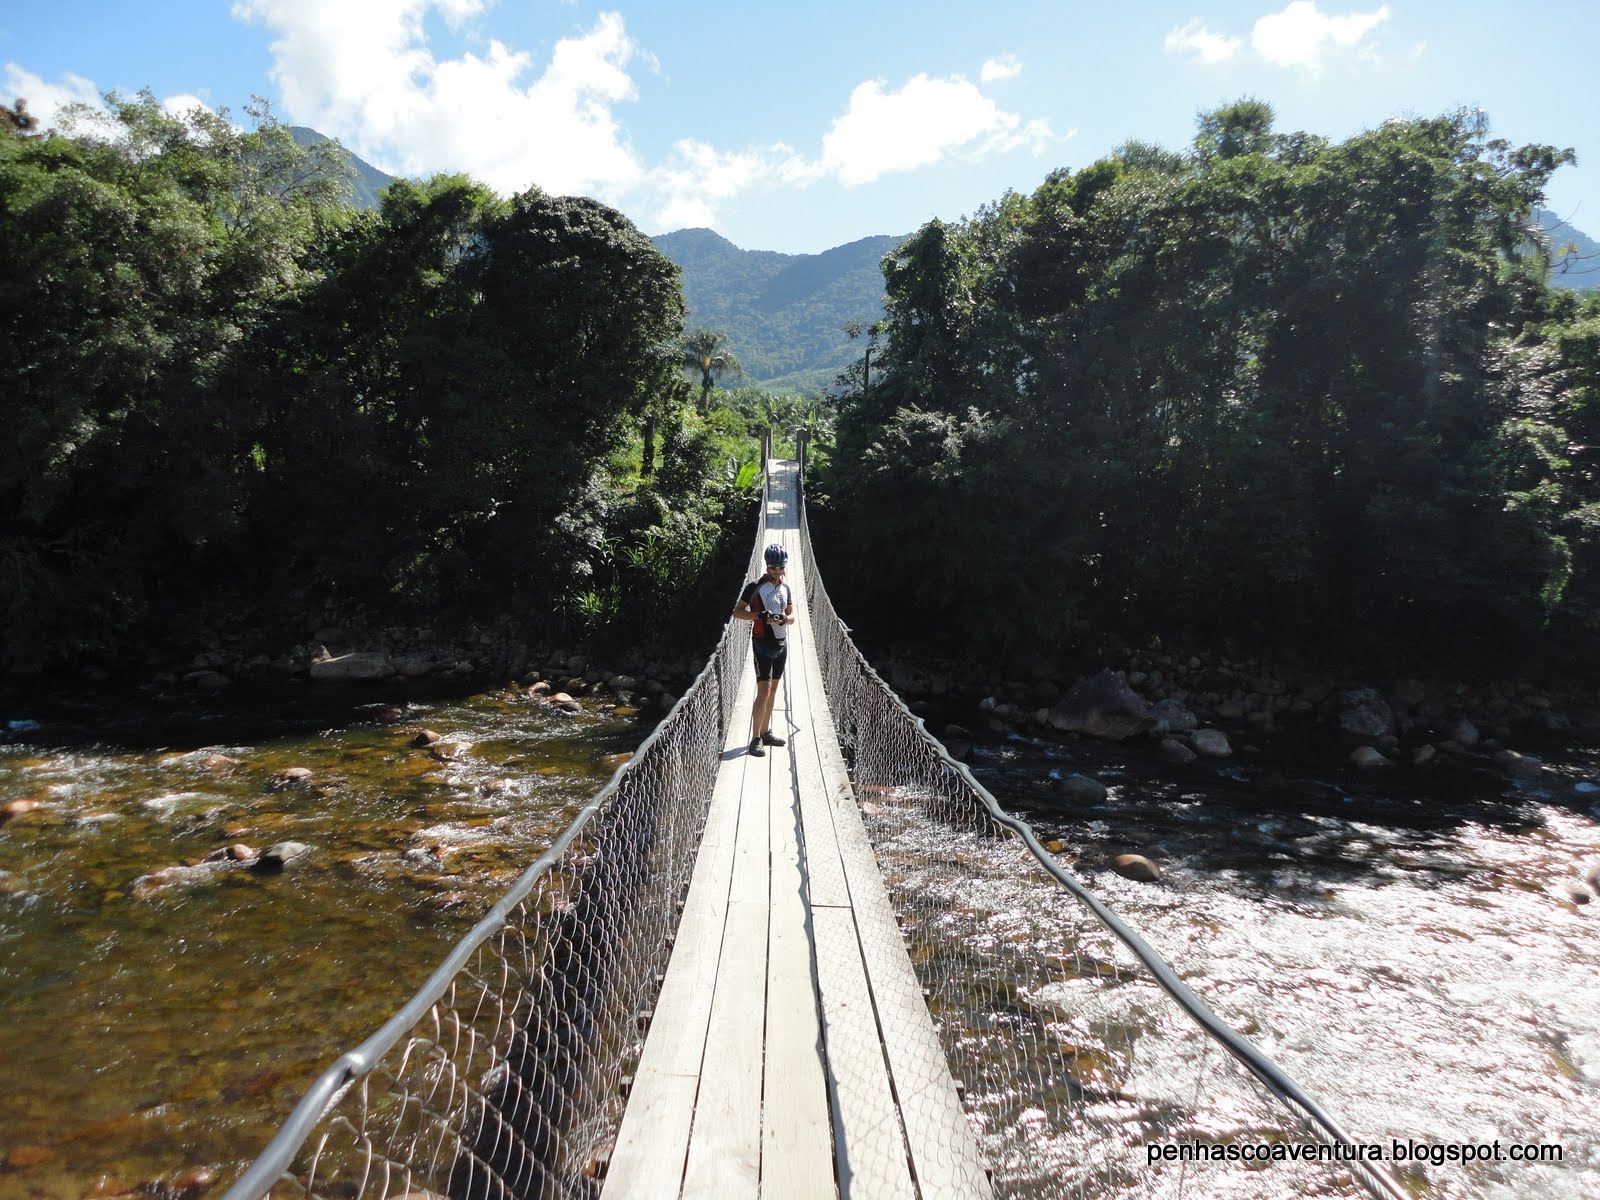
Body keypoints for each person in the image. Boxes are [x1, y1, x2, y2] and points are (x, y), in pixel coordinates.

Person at [735, 543, 794, 756]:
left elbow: (792, 617)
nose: (777, 571)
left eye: (780, 567)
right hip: (762, 644)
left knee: (773, 691)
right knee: (763, 692)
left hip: (781, 644)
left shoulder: (785, 588)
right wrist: (759, 616)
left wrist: (783, 619)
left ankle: (766, 732)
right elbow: (737, 612)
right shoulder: (754, 587)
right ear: (767, 565)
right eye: (773, 567)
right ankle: (755, 739)